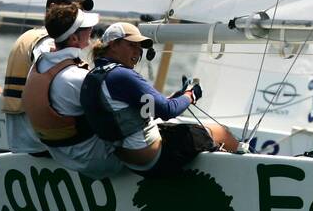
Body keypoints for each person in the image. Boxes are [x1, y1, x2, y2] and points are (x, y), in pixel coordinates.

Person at [81, 21, 238, 177]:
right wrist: (191, 95)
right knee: (221, 132)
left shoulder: (94, 75)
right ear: (114, 45)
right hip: (154, 157)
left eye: (139, 48)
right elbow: (168, 110)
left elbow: (136, 113)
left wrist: (176, 97)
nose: (137, 53)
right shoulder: (121, 75)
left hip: (129, 159)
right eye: (132, 46)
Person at [22, 4, 116, 176]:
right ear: (73, 39)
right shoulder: (76, 77)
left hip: (60, 156)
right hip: (95, 161)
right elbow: (120, 110)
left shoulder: (38, 65)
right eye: (87, 28)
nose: (91, 29)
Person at [2, 0, 94, 154]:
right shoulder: (47, 42)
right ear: (53, 9)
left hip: (20, 136)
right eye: (74, 8)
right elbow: (50, 81)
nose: (80, 15)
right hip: (38, 141)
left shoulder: (29, 36)